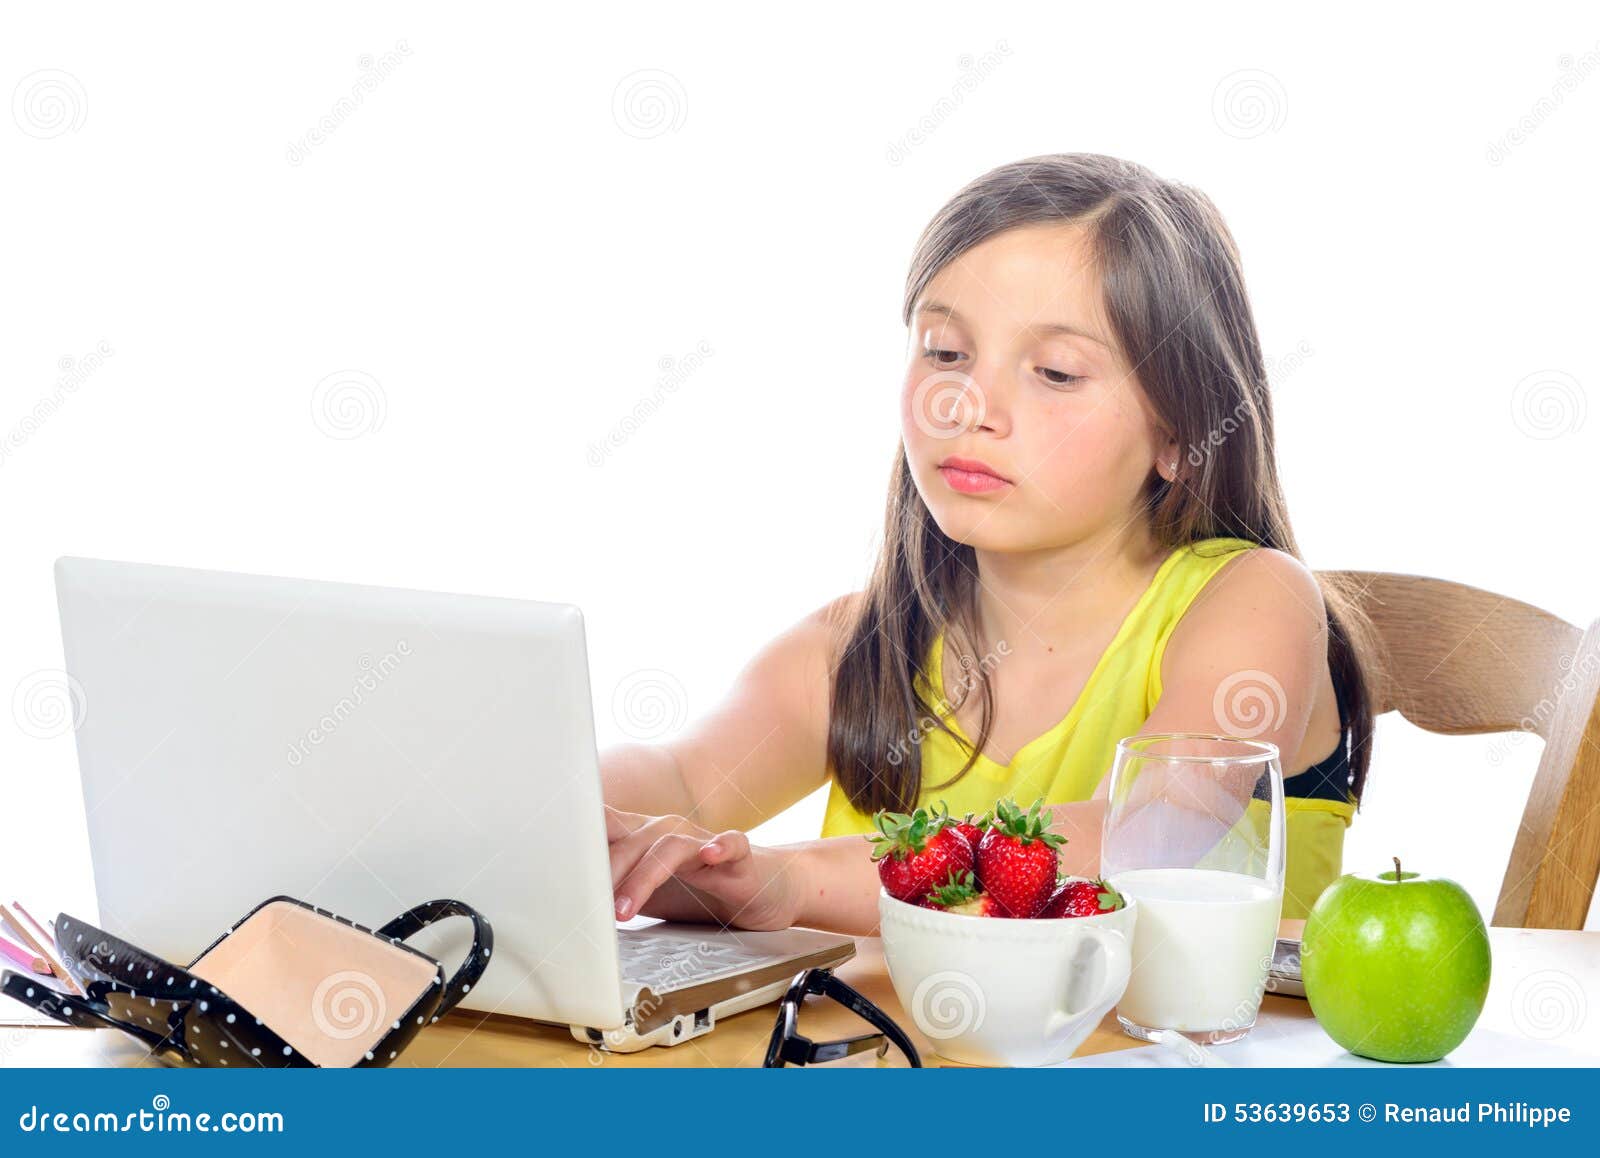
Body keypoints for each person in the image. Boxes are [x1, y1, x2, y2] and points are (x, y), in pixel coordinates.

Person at [603, 153, 1371, 937]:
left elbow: (1150, 835)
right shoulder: (858, 646)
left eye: (1056, 371)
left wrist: (793, 881)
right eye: (944, 352)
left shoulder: (1255, 602)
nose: (969, 405)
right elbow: (683, 783)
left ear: (1178, 431)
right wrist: (551, 804)